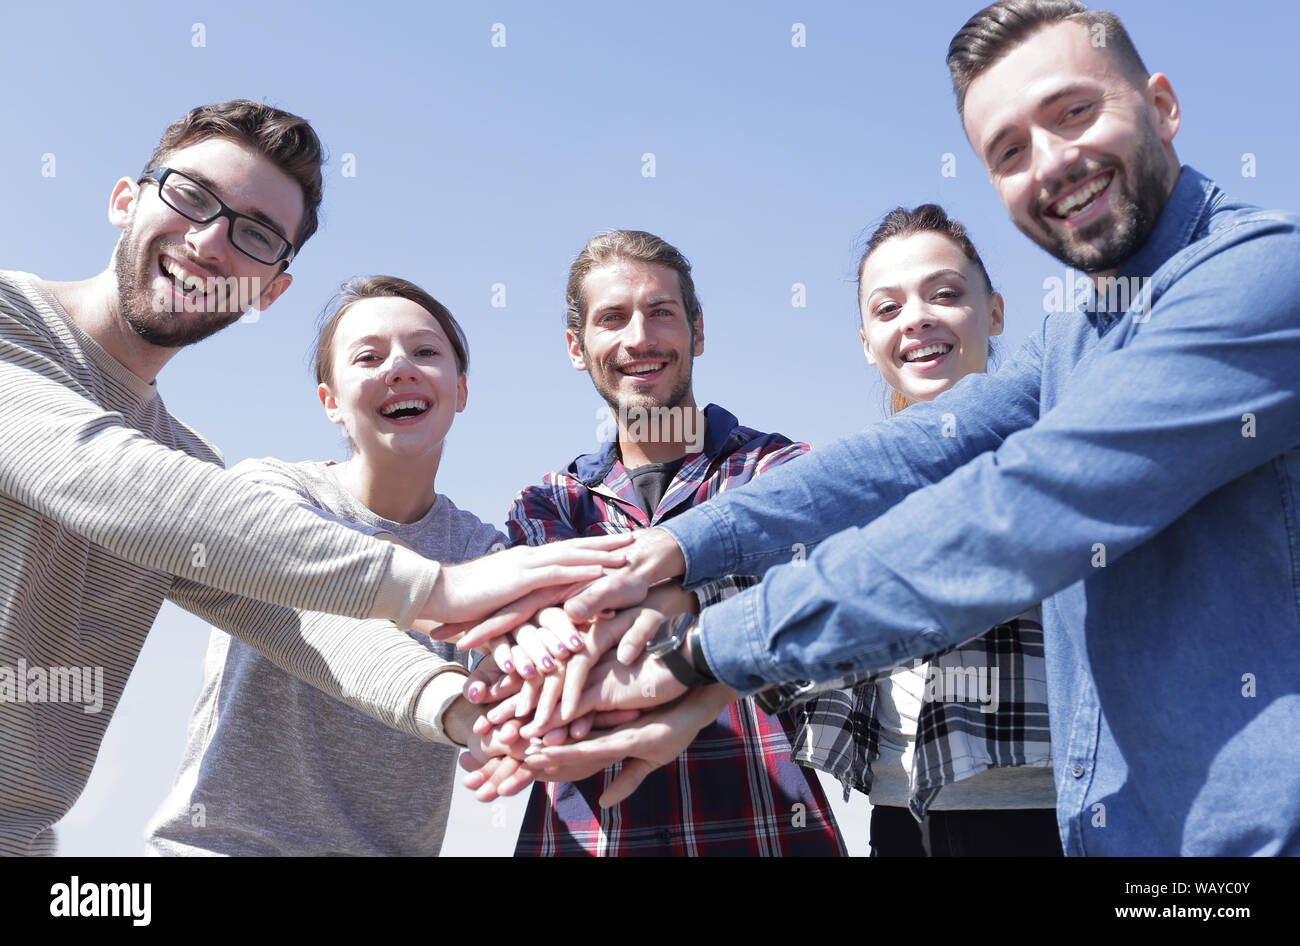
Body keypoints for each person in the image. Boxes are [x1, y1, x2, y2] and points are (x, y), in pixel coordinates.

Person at [523, 0, 1300, 856]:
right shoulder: (1079, 335)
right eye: (1008, 150)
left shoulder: (1260, 277)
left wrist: (702, 651)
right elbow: (910, 450)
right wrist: (675, 550)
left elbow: (1021, 511)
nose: (1052, 162)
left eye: (1075, 112)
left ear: (1162, 107)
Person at [0, 101, 626, 855]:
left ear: (269, 289)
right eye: (190, 196)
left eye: (255, 234)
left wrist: (463, 708)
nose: (207, 243)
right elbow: (96, 470)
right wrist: (439, 591)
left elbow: (297, 619)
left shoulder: (189, 464)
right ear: (125, 201)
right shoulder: (13, 322)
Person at [487, 230, 845, 856]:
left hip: (767, 829)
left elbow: (818, 609)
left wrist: (661, 606)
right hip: (586, 837)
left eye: (661, 313)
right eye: (613, 319)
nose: (639, 339)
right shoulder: (548, 504)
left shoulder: (779, 472)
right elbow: (551, 649)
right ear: (578, 347)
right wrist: (724, 594)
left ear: (697, 333)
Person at [145, 276, 519, 855]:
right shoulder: (267, 491)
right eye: (369, 357)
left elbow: (518, 665)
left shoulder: (482, 550)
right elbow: (321, 608)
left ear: (461, 390)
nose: (400, 368)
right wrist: (458, 706)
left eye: (425, 352)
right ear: (330, 402)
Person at [793, 204, 1059, 857]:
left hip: (1044, 811)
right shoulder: (850, 488)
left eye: (945, 294)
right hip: (900, 817)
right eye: (887, 309)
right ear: (865, 343)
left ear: (994, 313)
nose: (917, 318)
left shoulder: (1057, 451)